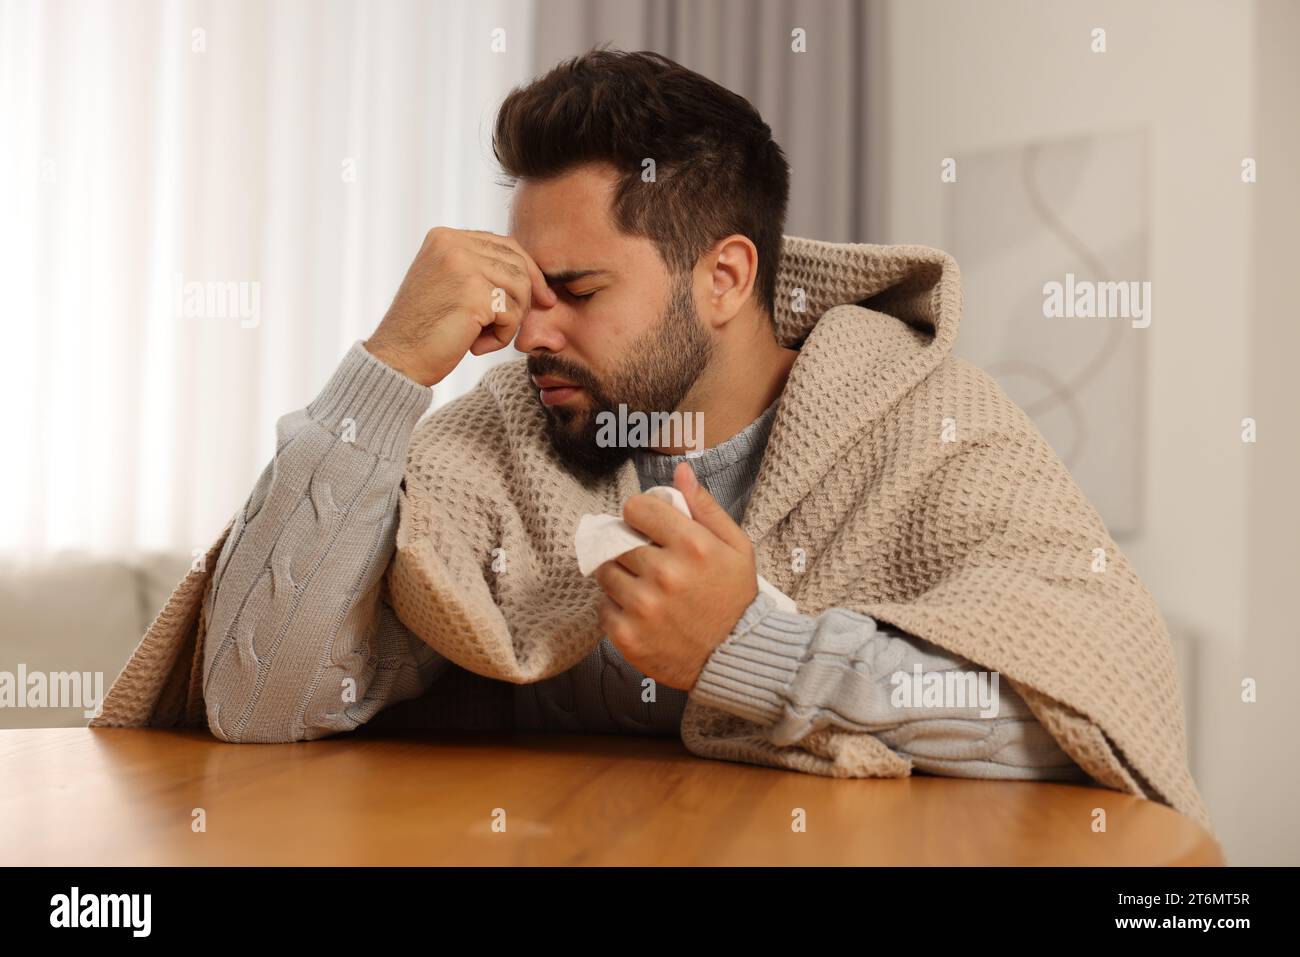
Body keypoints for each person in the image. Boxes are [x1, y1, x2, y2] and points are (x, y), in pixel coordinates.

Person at [195, 47, 1088, 785]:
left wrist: (751, 647)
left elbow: (1068, 726)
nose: (526, 333)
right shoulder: (500, 440)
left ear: (724, 279)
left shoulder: (929, 421)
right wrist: (386, 371)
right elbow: (256, 699)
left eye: (577, 291)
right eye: (525, 291)